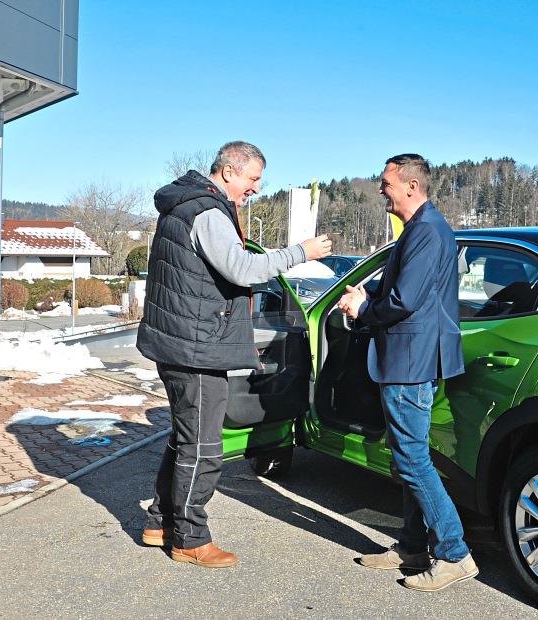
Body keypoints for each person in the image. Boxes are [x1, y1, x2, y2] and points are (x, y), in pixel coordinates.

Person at [137, 141, 332, 568]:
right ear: (229, 171)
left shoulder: (186, 205)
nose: (256, 189)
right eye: (253, 179)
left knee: (185, 438)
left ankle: (160, 522)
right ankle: (190, 538)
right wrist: (301, 252)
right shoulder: (207, 211)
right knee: (204, 446)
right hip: (196, 347)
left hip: (182, 341)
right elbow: (242, 268)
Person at [337, 154, 474, 591]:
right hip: (409, 359)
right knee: (408, 457)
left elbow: (404, 301)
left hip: (410, 362)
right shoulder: (420, 230)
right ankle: (413, 546)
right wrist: (368, 289)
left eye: (386, 183)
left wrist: (362, 309)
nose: (381, 190)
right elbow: (400, 286)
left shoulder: (427, 232)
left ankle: (455, 553)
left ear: (411, 186)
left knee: (412, 459)